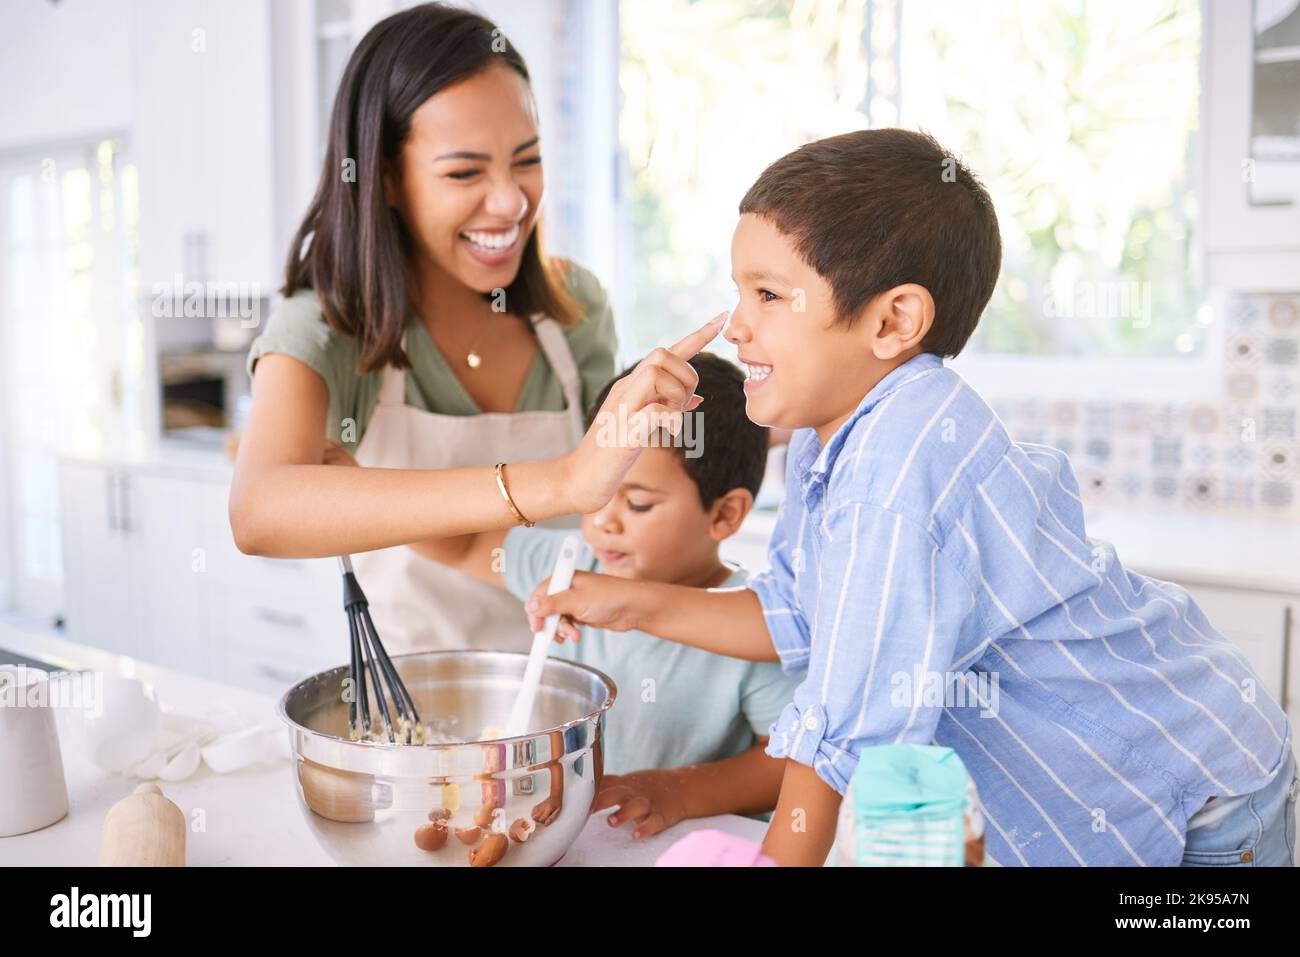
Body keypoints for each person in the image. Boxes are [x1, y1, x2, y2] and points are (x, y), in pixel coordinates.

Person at [523, 128, 1297, 867]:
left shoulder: (898, 471)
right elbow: (797, 614)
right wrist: (627, 602)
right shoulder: (833, 439)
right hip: (1133, 778)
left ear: (893, 320)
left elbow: (845, 728)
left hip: (1202, 792)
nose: (736, 329)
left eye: (767, 295)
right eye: (739, 293)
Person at [232, 2, 622, 653]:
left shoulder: (573, 305)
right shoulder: (330, 325)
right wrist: (558, 482)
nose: (510, 201)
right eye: (464, 171)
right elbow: (258, 511)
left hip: (572, 706)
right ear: (385, 178)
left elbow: (621, 520)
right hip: (413, 731)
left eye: (526, 159)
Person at [406, 354, 800, 839]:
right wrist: (357, 489)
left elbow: (789, 761)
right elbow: (460, 542)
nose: (602, 521)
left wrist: (677, 791)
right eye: (596, 493)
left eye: (637, 503)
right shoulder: (572, 568)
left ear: (725, 515)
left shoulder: (757, 624)